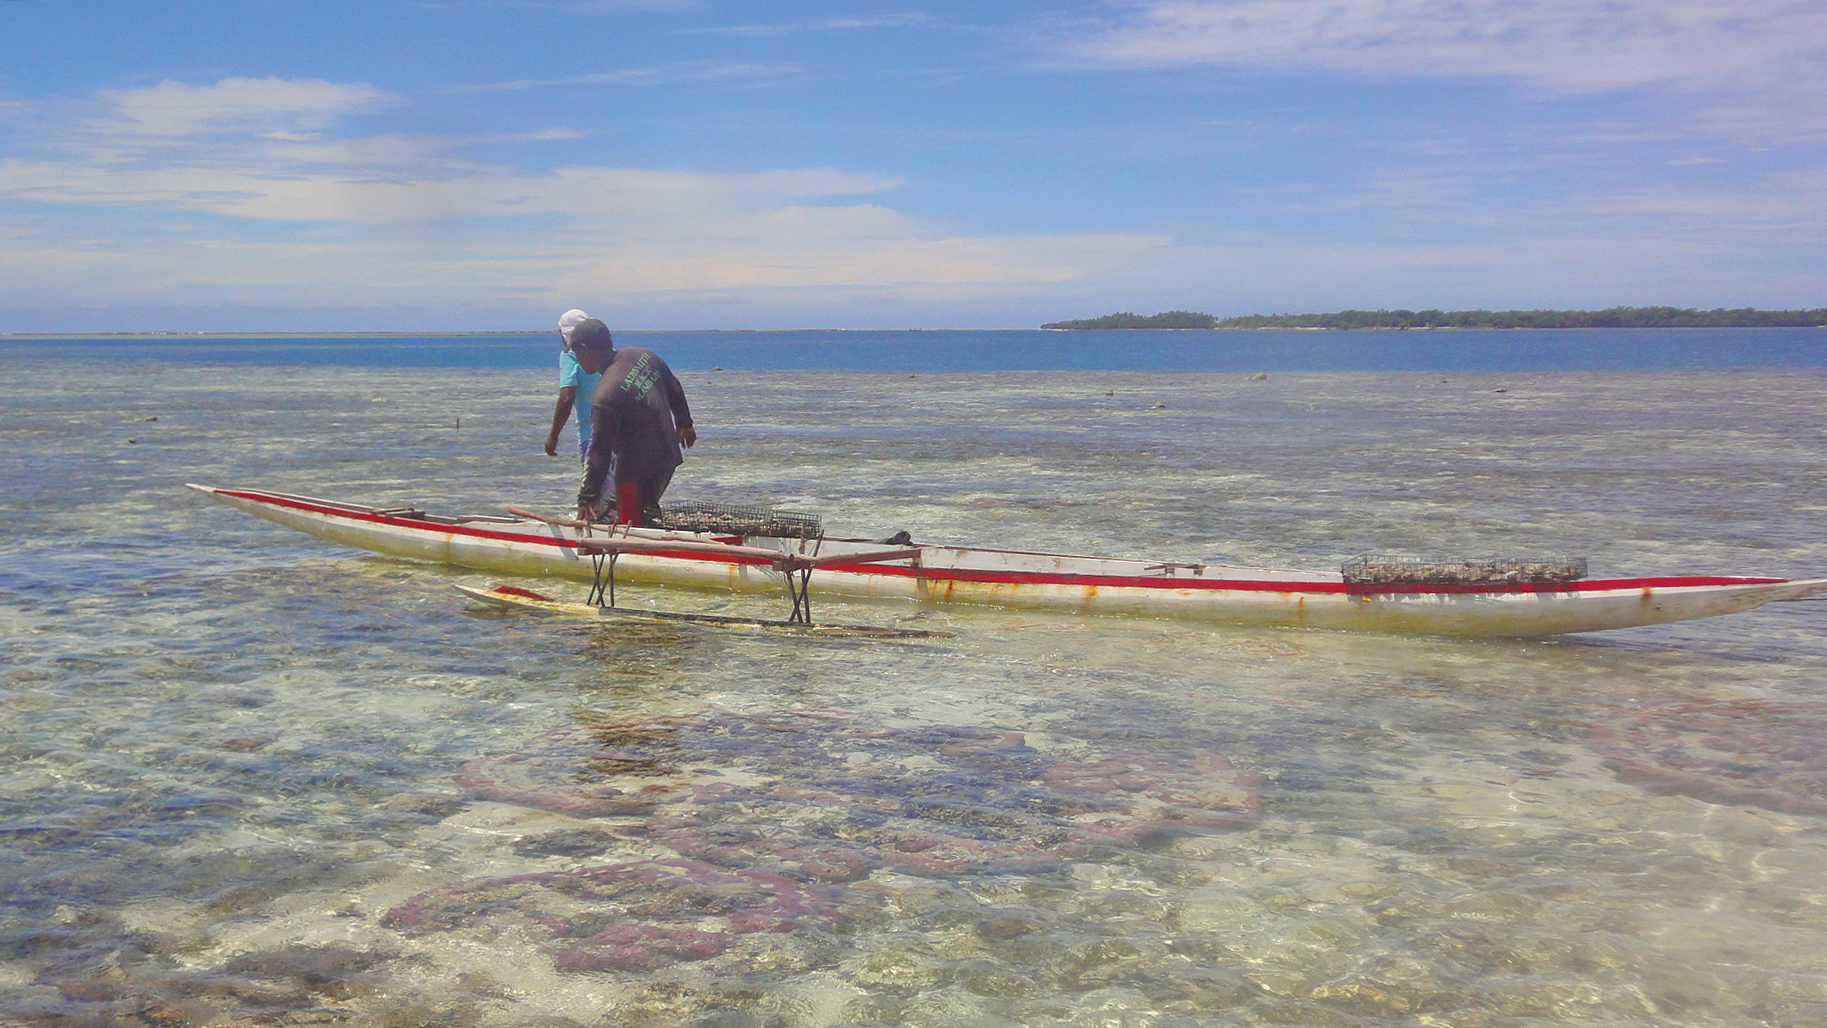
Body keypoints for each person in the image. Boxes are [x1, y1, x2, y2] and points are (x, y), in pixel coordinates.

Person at [567, 318, 697, 526]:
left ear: (585, 349)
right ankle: (649, 525)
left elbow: (599, 451)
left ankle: (641, 538)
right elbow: (673, 385)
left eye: (575, 352)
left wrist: (586, 498)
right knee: (641, 508)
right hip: (667, 457)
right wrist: (684, 423)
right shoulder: (641, 356)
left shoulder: (605, 396)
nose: (576, 359)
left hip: (634, 474)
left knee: (609, 519)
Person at [543, 309, 601, 463]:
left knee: (594, 479)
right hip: (618, 433)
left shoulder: (569, 354)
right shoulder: (607, 352)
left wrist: (553, 436)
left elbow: (566, 397)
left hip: (591, 434)